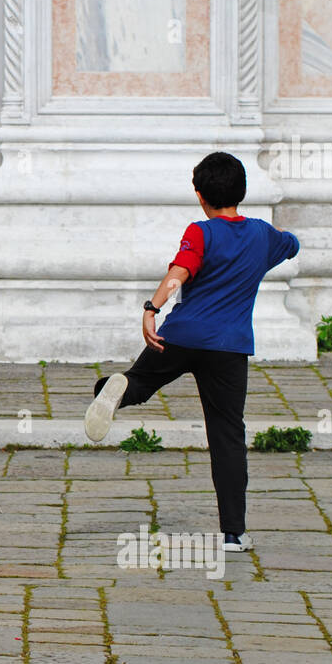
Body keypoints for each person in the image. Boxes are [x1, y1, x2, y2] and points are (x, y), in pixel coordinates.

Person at [82, 152, 300, 553]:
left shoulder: (200, 233)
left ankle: (114, 387)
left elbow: (179, 272)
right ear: (243, 191)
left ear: (200, 195)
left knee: (141, 383)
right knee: (226, 435)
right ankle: (233, 533)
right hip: (228, 349)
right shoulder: (263, 236)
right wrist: (277, 238)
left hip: (180, 337)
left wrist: (151, 308)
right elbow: (292, 244)